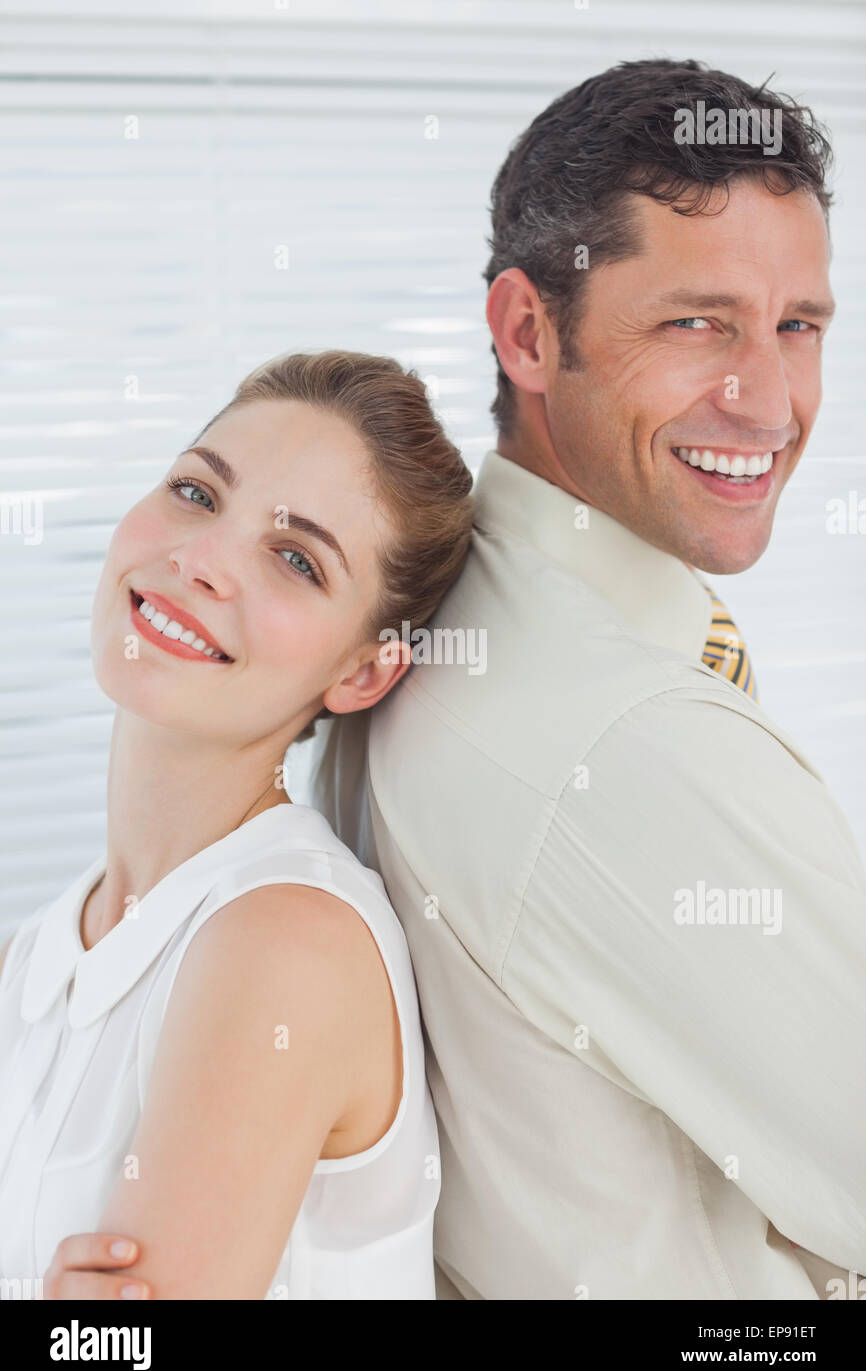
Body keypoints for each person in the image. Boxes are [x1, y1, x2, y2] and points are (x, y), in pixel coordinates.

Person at [308, 60, 866, 1299]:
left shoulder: (422, 600)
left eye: (798, 326)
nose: (768, 400)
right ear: (526, 331)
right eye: (695, 323)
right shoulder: (624, 739)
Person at [0, 349, 474, 1300]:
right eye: (194, 492)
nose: (202, 559)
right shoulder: (37, 956)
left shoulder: (285, 942)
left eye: (296, 559)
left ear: (362, 673)